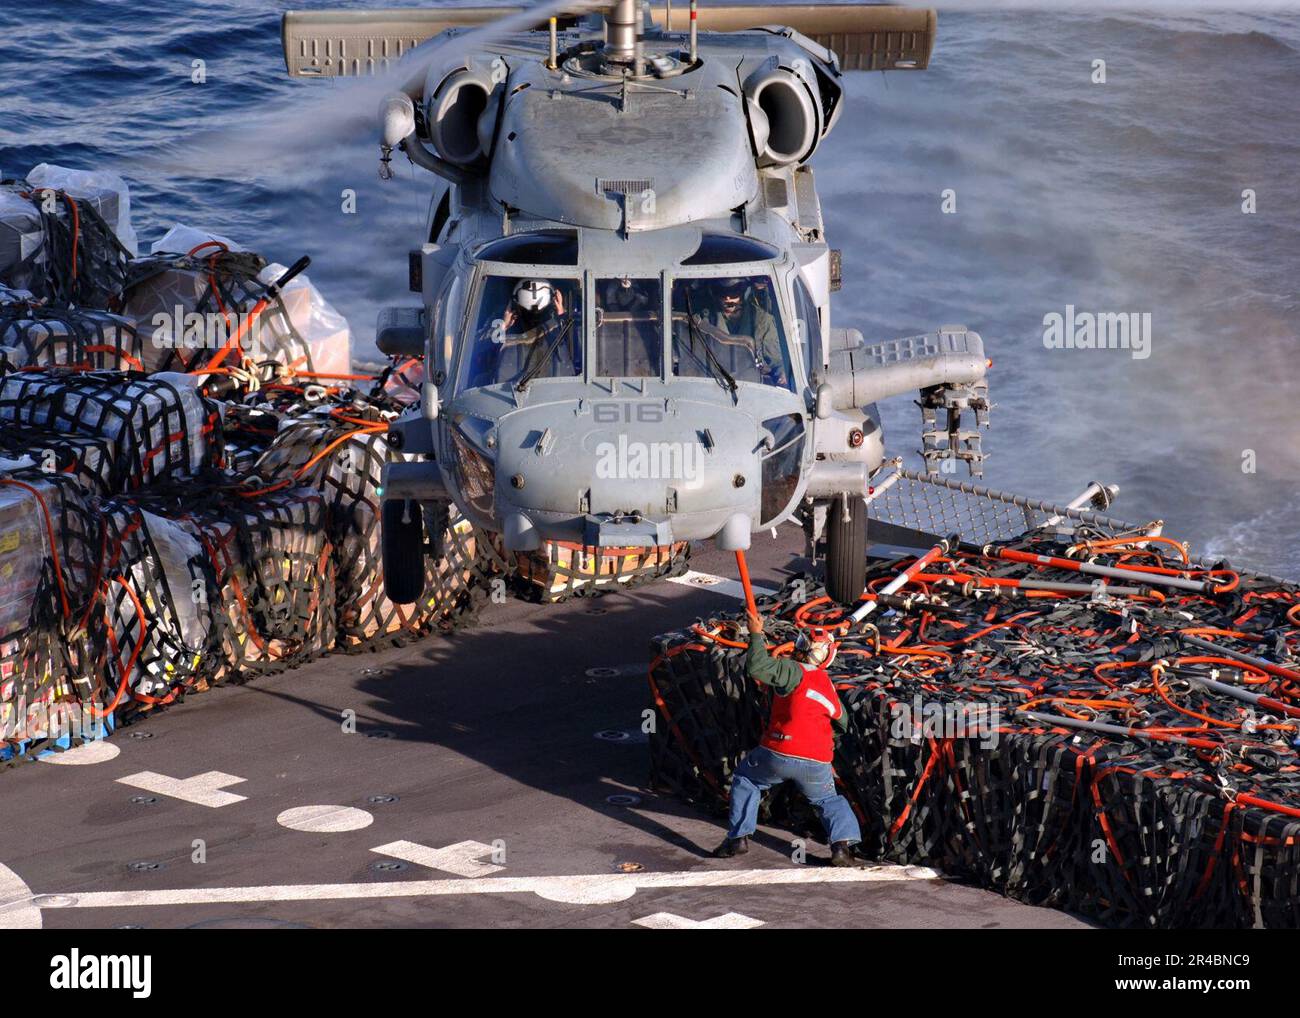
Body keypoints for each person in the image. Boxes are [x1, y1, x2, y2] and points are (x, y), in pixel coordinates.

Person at [713, 610, 863, 867]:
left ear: (802, 648)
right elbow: (842, 721)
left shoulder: (792, 670)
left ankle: (738, 839)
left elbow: (757, 667)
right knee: (828, 800)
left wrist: (756, 633)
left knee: (747, 779)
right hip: (817, 759)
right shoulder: (826, 683)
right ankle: (841, 848)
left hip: (779, 749)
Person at [702, 278, 786, 385]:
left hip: (750, 386)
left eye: (733, 292)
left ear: (742, 291)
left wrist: (781, 373)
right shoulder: (703, 320)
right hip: (712, 383)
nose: (728, 297)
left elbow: (776, 361)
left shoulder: (762, 321)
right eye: (722, 292)